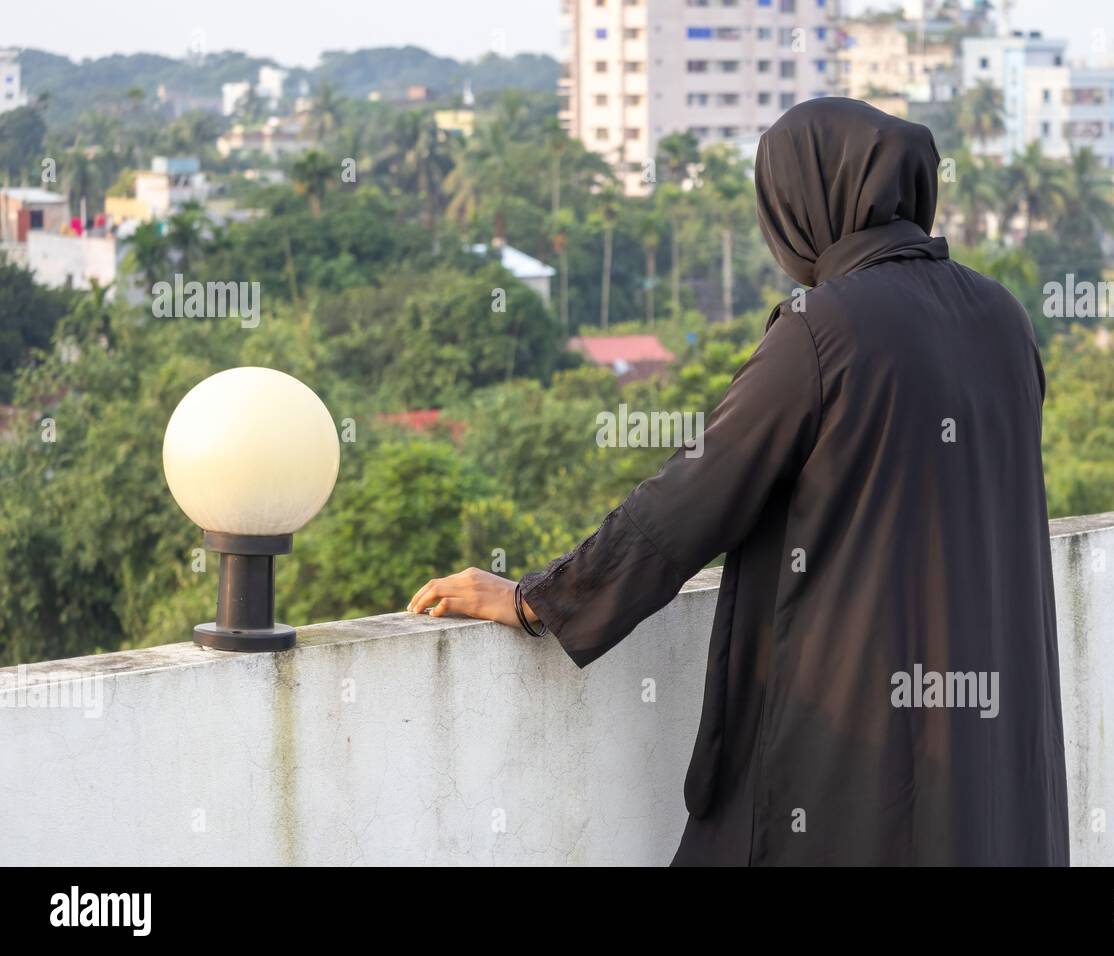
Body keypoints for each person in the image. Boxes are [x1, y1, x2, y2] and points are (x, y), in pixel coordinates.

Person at [408, 98, 1069, 866]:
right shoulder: (1002, 316)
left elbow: (689, 499)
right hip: (988, 711)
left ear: (805, 203)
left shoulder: (825, 328)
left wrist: (537, 599)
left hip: (854, 714)